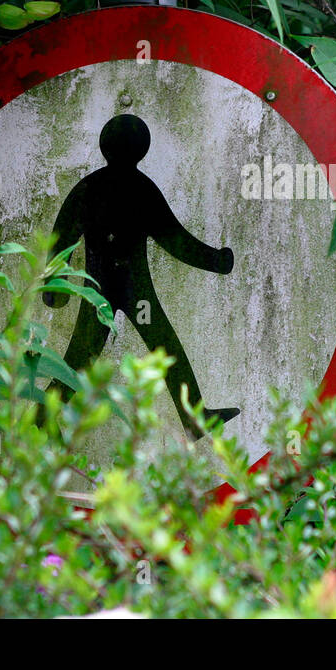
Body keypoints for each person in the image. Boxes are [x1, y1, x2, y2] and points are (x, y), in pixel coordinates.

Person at [43, 114, 239, 438]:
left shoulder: (90, 187)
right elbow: (177, 240)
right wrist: (217, 261)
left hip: (104, 287)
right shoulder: (140, 188)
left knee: (82, 355)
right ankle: (195, 417)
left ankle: (42, 414)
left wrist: (53, 287)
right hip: (133, 289)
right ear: (141, 150)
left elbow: (60, 238)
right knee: (162, 348)